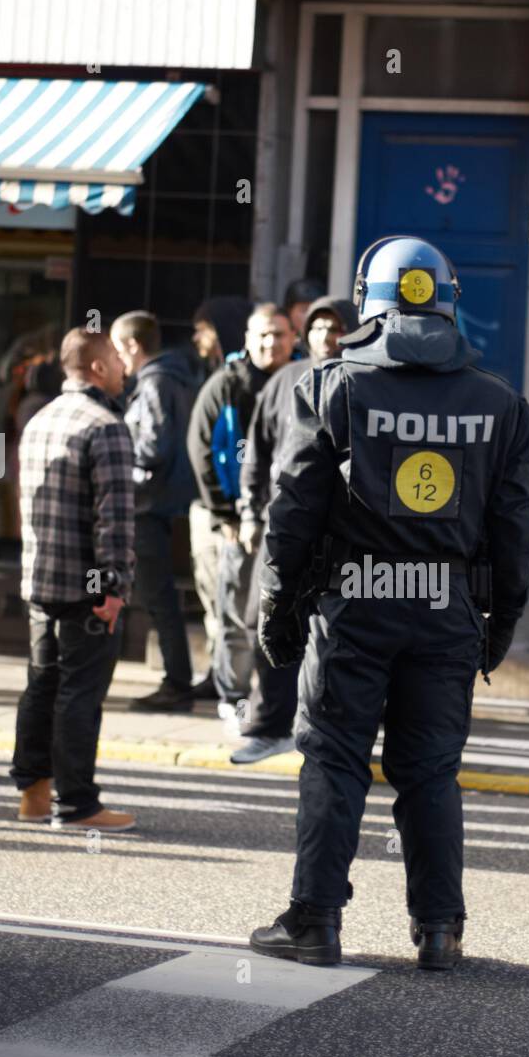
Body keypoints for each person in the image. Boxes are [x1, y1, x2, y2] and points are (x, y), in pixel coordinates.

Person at [249, 236, 529, 970]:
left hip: (356, 603)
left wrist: (276, 609)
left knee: (335, 761)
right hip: (445, 608)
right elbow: (513, 528)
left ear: (368, 301)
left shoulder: (330, 386)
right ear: (446, 302)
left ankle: (314, 922)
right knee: (430, 770)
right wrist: (501, 620)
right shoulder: (500, 402)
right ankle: (439, 930)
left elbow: (292, 512)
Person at [10, 327, 136, 831]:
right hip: (86, 585)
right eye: (119, 361)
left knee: (42, 685)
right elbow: (115, 519)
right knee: (79, 692)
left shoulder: (40, 419)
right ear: (100, 368)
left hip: (40, 580)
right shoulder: (105, 425)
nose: (125, 370)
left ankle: (34, 796)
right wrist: (111, 587)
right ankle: (79, 804)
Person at [231, 294, 359, 765]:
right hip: (279, 527)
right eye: (319, 327)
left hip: (339, 536)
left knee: (333, 632)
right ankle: (268, 726)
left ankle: (326, 726)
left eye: (336, 327)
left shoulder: (364, 382)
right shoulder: (284, 380)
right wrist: (248, 512)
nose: (327, 335)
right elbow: (256, 453)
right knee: (263, 621)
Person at [187, 303, 294, 724]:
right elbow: (201, 449)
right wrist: (224, 514)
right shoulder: (225, 385)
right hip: (240, 523)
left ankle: (280, 704)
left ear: (293, 338)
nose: (271, 343)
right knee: (235, 611)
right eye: (262, 335)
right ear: (248, 339)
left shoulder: (304, 380)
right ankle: (233, 697)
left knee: (282, 613)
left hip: (291, 522)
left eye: (279, 334)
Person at [111, 311, 198, 712]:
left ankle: (176, 681)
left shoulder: (154, 382)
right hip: (165, 503)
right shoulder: (175, 377)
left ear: (132, 345)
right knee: (158, 596)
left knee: (157, 597)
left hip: (148, 505)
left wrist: (118, 466)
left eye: (117, 349)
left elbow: (153, 447)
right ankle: (177, 679)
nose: (117, 360)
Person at [188, 296, 251, 698]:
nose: (197, 337)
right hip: (222, 511)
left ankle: (229, 682)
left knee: (227, 601)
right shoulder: (219, 376)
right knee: (218, 600)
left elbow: (203, 449)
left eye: (204, 328)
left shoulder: (232, 382)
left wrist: (224, 511)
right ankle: (221, 675)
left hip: (227, 515)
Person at [282, 279, 325, 357]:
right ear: (289, 311)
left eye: (314, 310)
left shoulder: (326, 341)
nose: (310, 315)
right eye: (304, 310)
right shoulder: (280, 341)